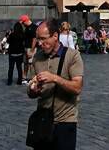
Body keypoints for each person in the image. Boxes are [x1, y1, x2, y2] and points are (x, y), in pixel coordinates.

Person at [28, 19, 84, 150]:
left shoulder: (72, 56)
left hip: (65, 121)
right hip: (43, 121)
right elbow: (31, 90)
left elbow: (77, 88)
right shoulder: (37, 57)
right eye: (38, 39)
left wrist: (54, 78)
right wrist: (33, 89)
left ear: (55, 36)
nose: (40, 43)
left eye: (43, 39)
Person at [7, 21, 27, 86]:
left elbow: (8, 41)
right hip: (19, 53)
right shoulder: (22, 35)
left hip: (12, 53)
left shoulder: (12, 35)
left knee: (11, 68)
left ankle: (9, 81)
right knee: (19, 67)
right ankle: (19, 81)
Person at [20, 15, 37, 81]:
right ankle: (24, 77)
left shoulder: (33, 27)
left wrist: (32, 50)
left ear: (26, 21)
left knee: (31, 64)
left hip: (31, 48)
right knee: (25, 63)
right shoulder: (27, 27)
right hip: (26, 48)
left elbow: (34, 39)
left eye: (23, 23)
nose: (23, 24)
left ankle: (32, 78)